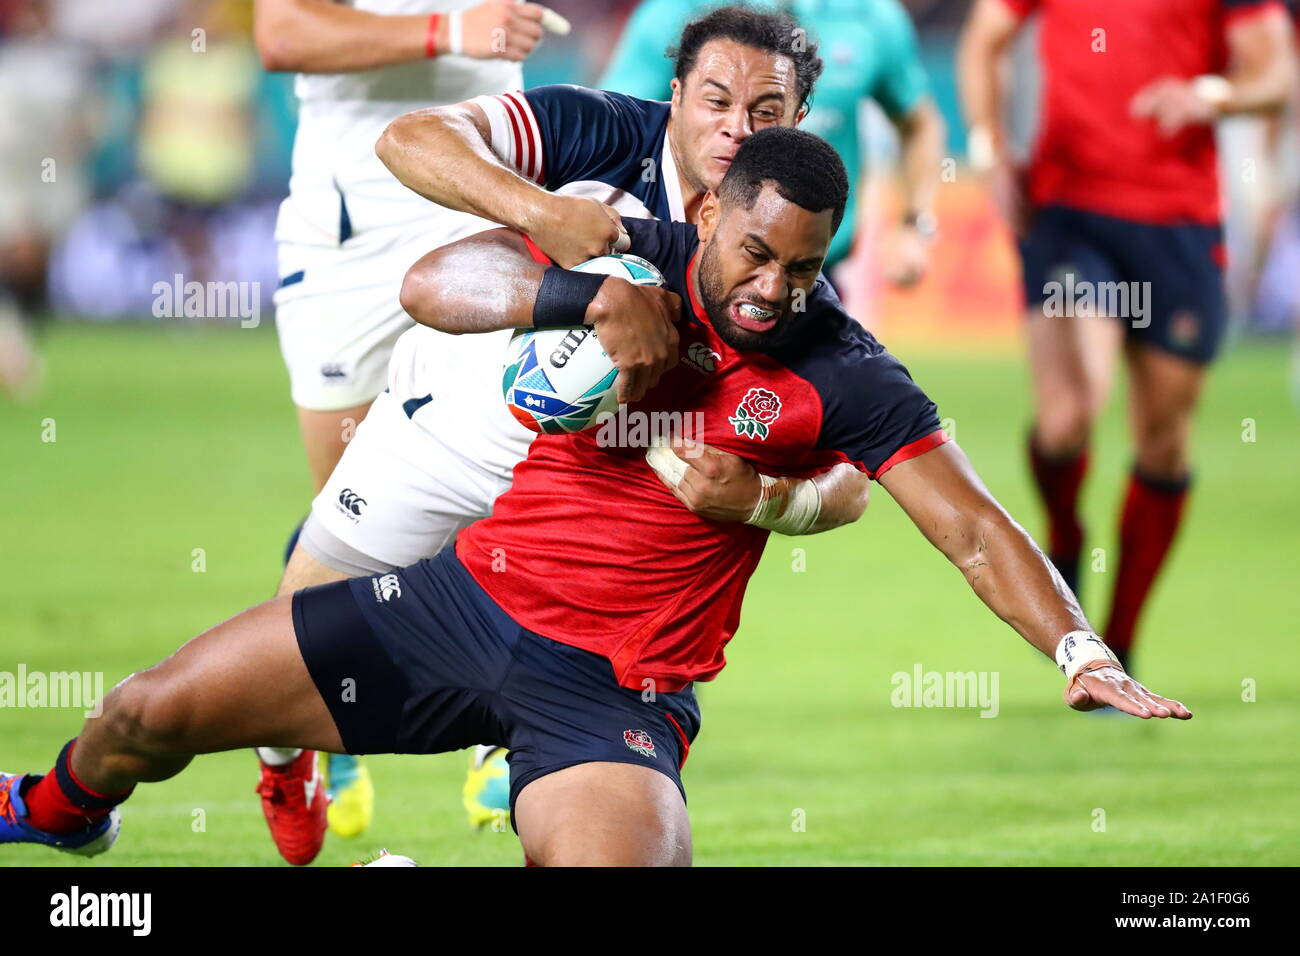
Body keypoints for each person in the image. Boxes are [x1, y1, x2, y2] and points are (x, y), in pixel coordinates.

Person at [0, 127, 1190, 867]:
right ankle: (60, 813)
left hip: (614, 695)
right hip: (453, 608)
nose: (774, 288)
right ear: (710, 213)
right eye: (755, 253)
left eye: (805, 266)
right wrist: (575, 299)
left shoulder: (845, 370)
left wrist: (1078, 648)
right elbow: (431, 279)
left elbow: (972, 525)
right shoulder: (631, 256)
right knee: (140, 715)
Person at [286, 4, 873, 831]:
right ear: (675, 95)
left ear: (798, 122)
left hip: (585, 493)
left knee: (564, 684)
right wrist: (537, 209)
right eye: (715, 101)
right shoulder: (597, 131)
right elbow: (407, 139)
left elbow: (859, 474)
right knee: (294, 636)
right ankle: (287, 769)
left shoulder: (786, 264)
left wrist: (764, 501)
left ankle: (529, 745)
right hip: (445, 426)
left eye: (765, 114)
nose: (736, 130)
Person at [252, 0, 562, 862]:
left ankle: (504, 732)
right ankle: (293, 747)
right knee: (343, 520)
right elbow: (281, 34)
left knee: (504, 479)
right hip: (348, 230)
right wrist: (446, 31)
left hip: (476, 210)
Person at [957, 0, 1295, 671]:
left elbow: (1278, 71)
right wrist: (989, 146)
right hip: (1068, 211)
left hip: (1177, 224)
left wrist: (1214, 93)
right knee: (1066, 420)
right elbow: (985, 39)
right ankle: (1064, 535)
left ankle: (1122, 640)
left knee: (1163, 446)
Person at [599, 0, 945, 288]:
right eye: (718, 102)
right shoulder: (678, 11)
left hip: (811, 278)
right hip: (681, 266)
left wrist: (914, 225)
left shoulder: (871, 17)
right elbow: (616, 126)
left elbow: (920, 123)